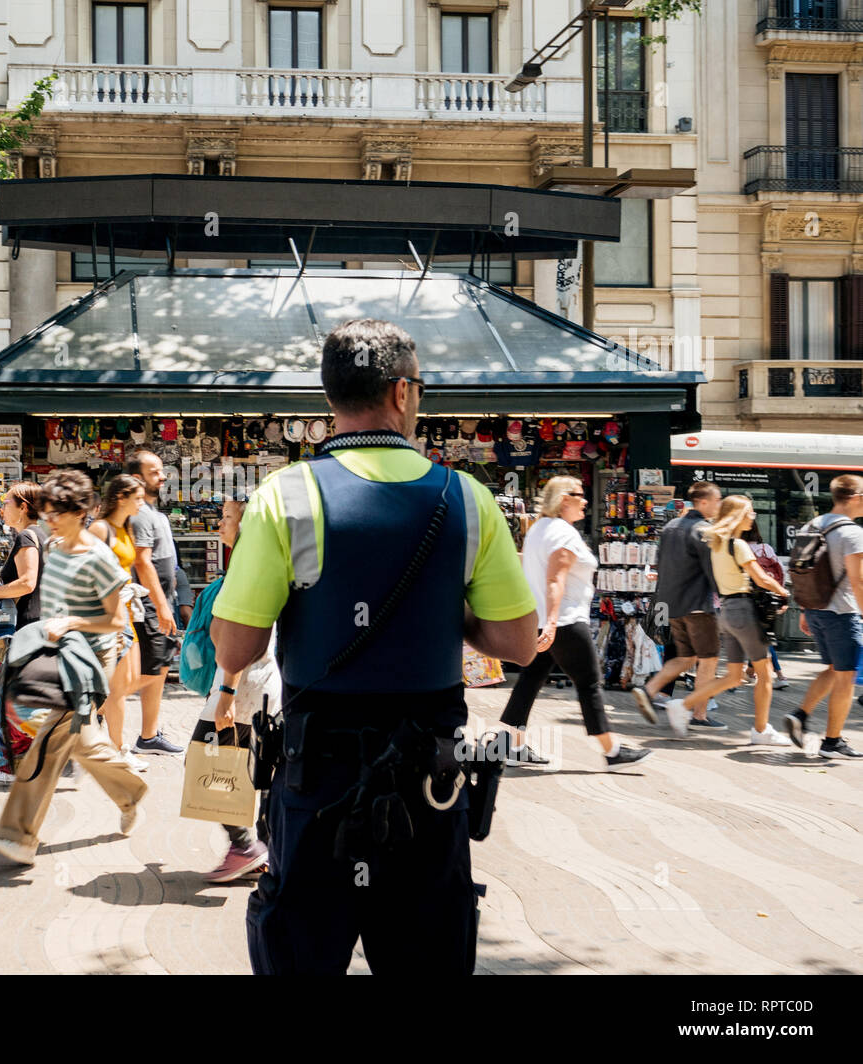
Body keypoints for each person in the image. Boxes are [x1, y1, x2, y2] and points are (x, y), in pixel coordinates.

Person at [211, 318, 539, 975]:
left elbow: (236, 648)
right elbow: (519, 644)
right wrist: (453, 617)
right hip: (428, 782)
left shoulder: (286, 495)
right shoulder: (468, 500)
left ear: (330, 399)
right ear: (403, 393)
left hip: (314, 778)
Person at [0, 470, 148, 866]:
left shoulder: (99, 559)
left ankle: (18, 835)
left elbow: (115, 621)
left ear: (81, 512)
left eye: (59, 513)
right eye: (48, 513)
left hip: (92, 658)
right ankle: (129, 792)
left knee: (51, 739)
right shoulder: (55, 549)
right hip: (60, 654)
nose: (51, 520)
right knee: (81, 740)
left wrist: (72, 623)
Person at [502, 476, 655, 769]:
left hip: (544, 620)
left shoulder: (538, 530)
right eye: (578, 494)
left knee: (531, 679)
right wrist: (552, 622)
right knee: (589, 683)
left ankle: (512, 745)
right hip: (565, 621)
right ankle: (612, 752)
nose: (585, 500)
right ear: (563, 499)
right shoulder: (563, 533)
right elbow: (555, 580)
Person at [192, 491, 276, 883]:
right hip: (259, 686)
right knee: (250, 769)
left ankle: (245, 846)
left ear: (245, 525)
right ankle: (263, 849)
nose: (220, 524)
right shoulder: (264, 564)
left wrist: (225, 694)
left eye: (226, 517)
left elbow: (237, 636)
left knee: (210, 766)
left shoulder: (246, 569)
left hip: (240, 688)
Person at [661, 494, 792, 745]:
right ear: (739, 516)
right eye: (750, 513)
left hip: (726, 612)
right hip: (743, 610)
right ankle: (761, 730)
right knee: (764, 674)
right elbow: (761, 579)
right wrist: (784, 592)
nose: (753, 517)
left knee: (733, 676)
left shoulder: (714, 543)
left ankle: (683, 705)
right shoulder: (738, 545)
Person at [631, 481, 725, 727]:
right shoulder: (704, 530)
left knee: (686, 656)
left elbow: (661, 564)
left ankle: (649, 689)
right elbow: (712, 571)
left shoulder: (670, 527)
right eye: (717, 500)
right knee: (709, 659)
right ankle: (699, 714)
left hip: (671, 604)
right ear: (703, 502)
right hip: (698, 606)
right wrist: (726, 596)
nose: (719, 504)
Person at [0, 482, 47, 786]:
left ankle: (8, 767)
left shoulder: (27, 537)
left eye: (7, 503)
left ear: (23, 507)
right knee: (17, 698)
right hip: (37, 629)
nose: (2, 508)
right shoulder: (42, 535)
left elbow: (28, 582)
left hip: (26, 631)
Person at [785, 474, 863, 758]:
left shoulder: (813, 524)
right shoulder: (853, 533)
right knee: (846, 677)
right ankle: (833, 742)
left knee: (833, 669)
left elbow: (802, 571)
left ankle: (800, 715)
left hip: (816, 610)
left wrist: (805, 609)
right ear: (854, 497)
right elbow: (859, 581)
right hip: (842, 613)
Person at [87, 473, 149, 772]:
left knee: (130, 681)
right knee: (118, 688)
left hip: (125, 613)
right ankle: (117, 748)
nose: (142, 502)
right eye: (137, 497)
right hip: (109, 616)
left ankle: (85, 728)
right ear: (121, 497)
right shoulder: (101, 528)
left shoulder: (126, 527)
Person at [125, 449, 183, 755]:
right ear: (137, 478)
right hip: (150, 603)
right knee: (150, 669)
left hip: (159, 600)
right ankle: (94, 711)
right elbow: (143, 562)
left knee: (157, 667)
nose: (162, 477)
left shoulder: (153, 513)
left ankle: (148, 734)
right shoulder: (141, 515)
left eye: (161, 471)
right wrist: (161, 606)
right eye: (154, 472)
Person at [743, 524, 789, 689]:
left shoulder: (740, 548)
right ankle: (751, 670)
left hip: (747, 600)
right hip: (768, 599)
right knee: (763, 637)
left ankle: (778, 674)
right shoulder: (766, 549)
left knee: (762, 639)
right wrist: (781, 596)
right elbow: (780, 571)